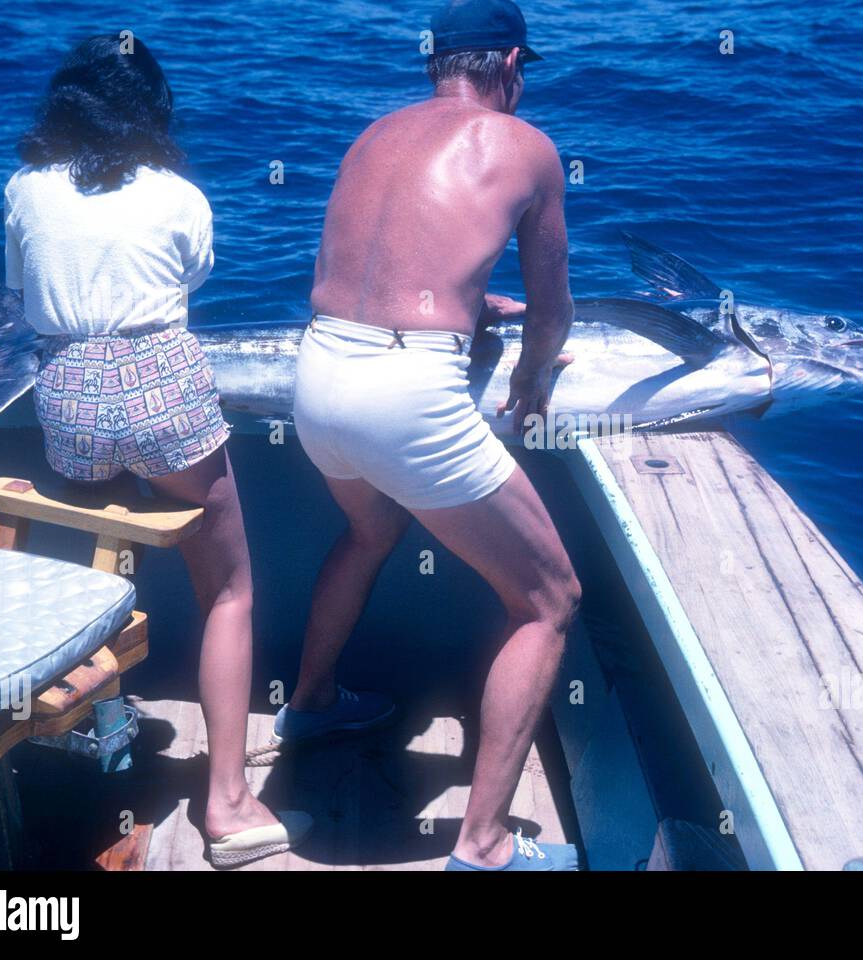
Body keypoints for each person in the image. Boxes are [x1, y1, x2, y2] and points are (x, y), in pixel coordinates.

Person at [5, 33, 315, 868]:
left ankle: (93, 750)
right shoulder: (177, 193)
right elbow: (193, 278)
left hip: (66, 399)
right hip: (162, 391)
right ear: (152, 110)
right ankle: (225, 806)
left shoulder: (25, 187)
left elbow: (23, 293)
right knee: (230, 591)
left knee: (96, 577)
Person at [286, 0, 582, 870]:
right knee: (549, 602)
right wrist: (530, 375)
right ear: (509, 64)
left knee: (372, 530)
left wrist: (456, 307)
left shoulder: (375, 133)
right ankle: (484, 848)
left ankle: (308, 702)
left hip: (320, 374)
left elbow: (373, 272)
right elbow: (554, 309)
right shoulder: (526, 147)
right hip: (407, 399)